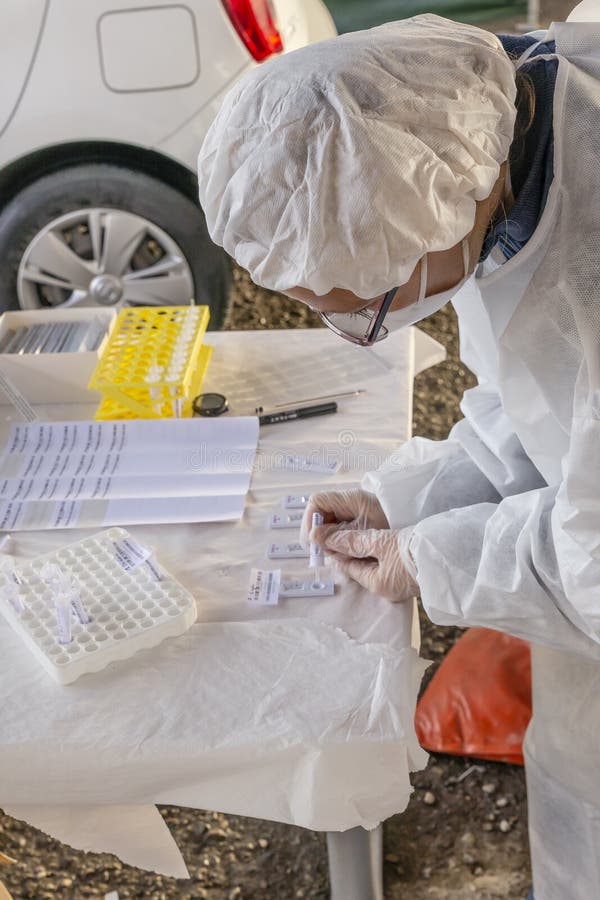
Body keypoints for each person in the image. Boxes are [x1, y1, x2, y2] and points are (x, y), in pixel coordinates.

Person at [198, 5, 600, 897]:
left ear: (434, 218)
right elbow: (550, 409)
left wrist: (431, 559)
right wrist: (408, 497)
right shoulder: (485, 154)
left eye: (362, 307)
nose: (347, 332)